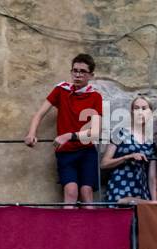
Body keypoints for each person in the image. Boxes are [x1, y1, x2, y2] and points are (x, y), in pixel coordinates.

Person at [24, 53, 103, 206]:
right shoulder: (61, 90)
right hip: (66, 152)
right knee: (71, 191)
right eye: (75, 70)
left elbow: (95, 131)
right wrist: (31, 133)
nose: (78, 75)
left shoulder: (95, 96)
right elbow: (39, 114)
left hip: (87, 151)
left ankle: (91, 229)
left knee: (86, 192)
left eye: (82, 71)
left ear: (91, 75)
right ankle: (67, 229)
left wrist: (68, 136)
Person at [101, 95, 157, 205]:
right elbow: (104, 163)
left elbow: (152, 177)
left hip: (141, 190)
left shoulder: (151, 143)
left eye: (144, 108)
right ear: (131, 112)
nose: (140, 111)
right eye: (136, 108)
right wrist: (127, 157)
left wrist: (155, 202)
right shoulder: (120, 133)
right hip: (120, 187)